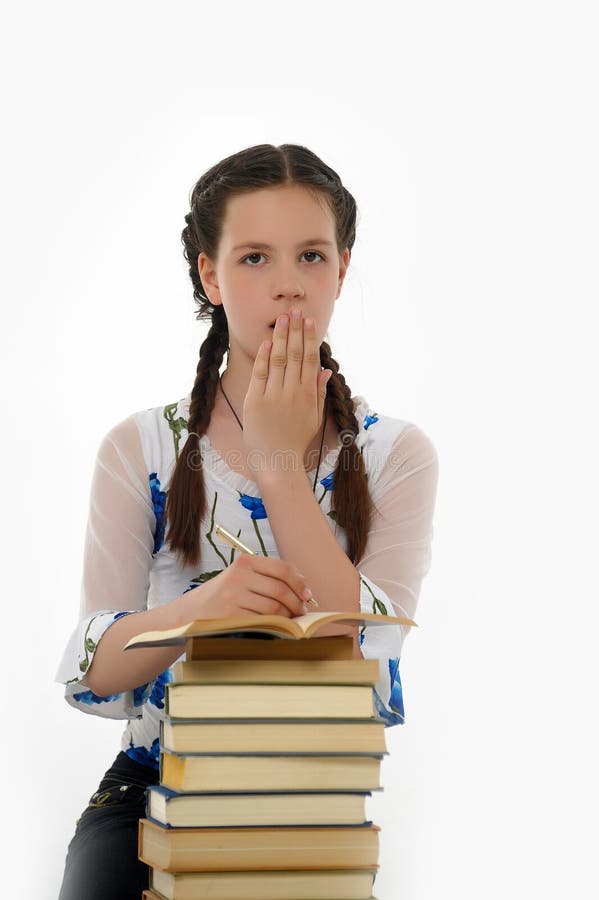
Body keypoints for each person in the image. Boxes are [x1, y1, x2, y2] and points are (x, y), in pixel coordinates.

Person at [55, 142, 439, 899]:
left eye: (311, 257)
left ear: (343, 269)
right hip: (157, 778)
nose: (289, 288)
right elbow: (89, 668)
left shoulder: (398, 452)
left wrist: (275, 464)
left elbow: (370, 660)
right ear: (210, 274)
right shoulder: (143, 445)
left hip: (307, 789)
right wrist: (198, 611)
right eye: (256, 258)